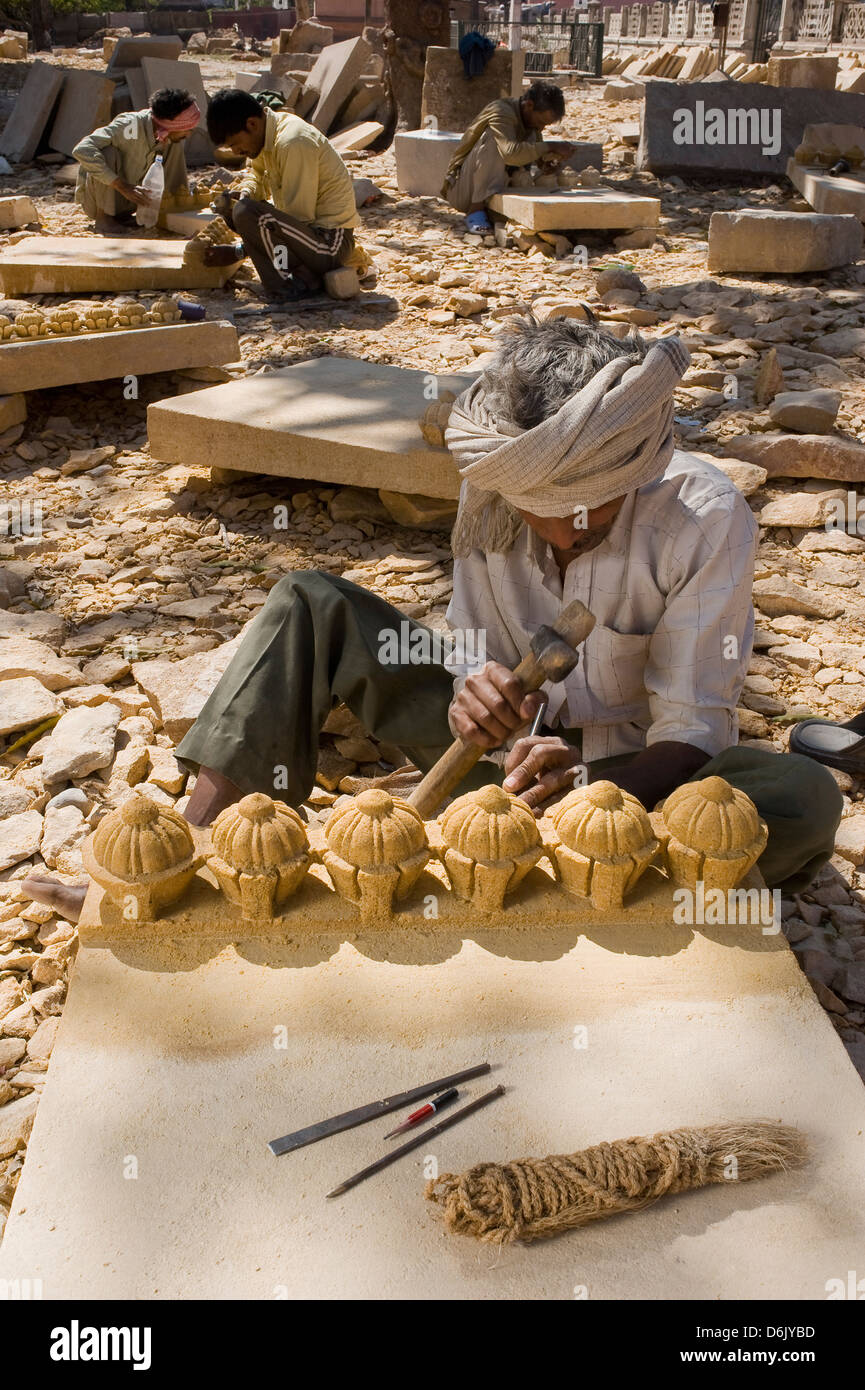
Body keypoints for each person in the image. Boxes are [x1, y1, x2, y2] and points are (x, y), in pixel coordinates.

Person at [23, 317, 842, 923]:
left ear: (631, 469)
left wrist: (586, 787)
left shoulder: (701, 517)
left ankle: (596, 877)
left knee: (801, 794)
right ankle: (182, 862)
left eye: (578, 515)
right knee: (311, 600)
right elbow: (471, 654)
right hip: (492, 773)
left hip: (631, 791)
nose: (554, 532)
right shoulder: (492, 497)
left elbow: (694, 726)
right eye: (535, 510)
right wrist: (471, 697)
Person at [200, 88, 359, 302]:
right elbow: (256, 174)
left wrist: (240, 251)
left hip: (329, 244)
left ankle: (290, 283)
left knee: (248, 213)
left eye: (235, 144)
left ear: (252, 124)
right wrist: (245, 193)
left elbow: (297, 219)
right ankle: (301, 274)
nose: (236, 152)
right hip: (307, 237)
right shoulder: (266, 135)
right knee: (239, 209)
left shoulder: (292, 142)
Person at [441, 80, 575, 234]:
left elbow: (535, 154)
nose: (541, 128)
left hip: (499, 187)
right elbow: (510, 154)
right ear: (529, 105)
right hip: (463, 191)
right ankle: (475, 210)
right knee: (494, 141)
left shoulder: (531, 123)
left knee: (530, 139)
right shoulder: (501, 111)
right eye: (540, 122)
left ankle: (494, 211)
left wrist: (548, 163)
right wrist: (551, 146)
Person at [72, 87, 200, 234]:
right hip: (100, 202)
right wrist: (122, 186)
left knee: (174, 143)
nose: (189, 134)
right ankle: (104, 219)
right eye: (187, 128)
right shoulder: (130, 125)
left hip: (135, 201)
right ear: (171, 124)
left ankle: (171, 205)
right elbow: (82, 148)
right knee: (108, 152)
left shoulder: (164, 133)